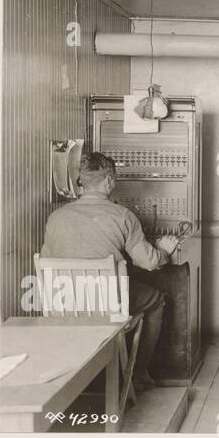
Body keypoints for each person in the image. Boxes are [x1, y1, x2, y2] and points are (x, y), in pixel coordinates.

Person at [40, 152, 178, 390]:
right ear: (109, 182)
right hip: (106, 303)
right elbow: (150, 263)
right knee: (156, 300)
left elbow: (46, 261)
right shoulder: (123, 216)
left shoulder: (55, 217)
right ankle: (137, 374)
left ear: (81, 182)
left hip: (64, 303)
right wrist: (163, 250)